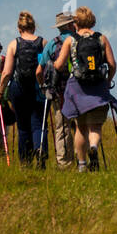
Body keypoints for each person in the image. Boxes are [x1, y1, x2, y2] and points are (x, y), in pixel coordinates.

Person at [52, 6, 117, 172]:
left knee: (80, 128)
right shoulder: (101, 38)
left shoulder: (70, 40)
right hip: (98, 86)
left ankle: (82, 165)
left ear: (75, 23)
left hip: (77, 87)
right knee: (95, 126)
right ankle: (94, 147)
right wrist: (108, 80)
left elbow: (59, 65)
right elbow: (112, 64)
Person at [0, 13, 45, 167]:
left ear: (19, 28)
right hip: (37, 87)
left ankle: (25, 162)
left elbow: (6, 72)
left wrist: (0, 92)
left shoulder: (14, 44)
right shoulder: (43, 43)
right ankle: (40, 150)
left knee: (23, 126)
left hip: (18, 88)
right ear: (33, 26)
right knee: (38, 124)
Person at [38, 12, 77, 169]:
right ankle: (83, 158)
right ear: (69, 25)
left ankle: (64, 162)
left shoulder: (52, 44)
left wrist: (43, 86)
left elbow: (38, 71)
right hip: (80, 89)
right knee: (83, 125)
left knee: (62, 126)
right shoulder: (78, 40)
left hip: (59, 91)